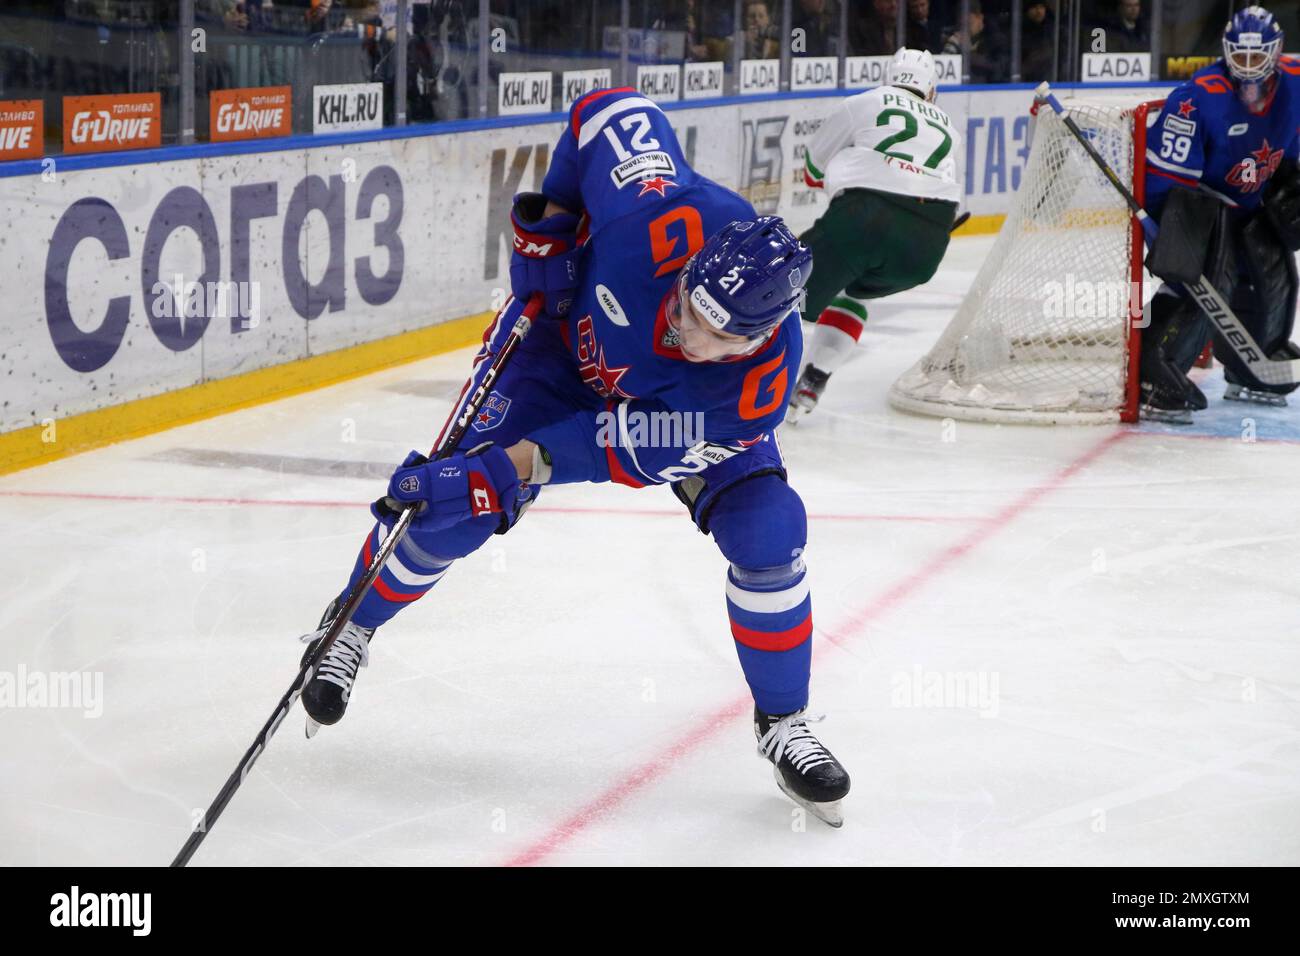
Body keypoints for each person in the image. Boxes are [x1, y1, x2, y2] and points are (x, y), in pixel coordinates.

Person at [296, 87, 852, 826]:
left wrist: (503, 469)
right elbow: (608, 111)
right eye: (688, 307)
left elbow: (604, 446)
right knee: (451, 513)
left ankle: (783, 722)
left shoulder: (753, 391)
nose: (689, 334)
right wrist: (551, 233)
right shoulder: (655, 210)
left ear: (761, 337)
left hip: (657, 422)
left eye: (719, 337)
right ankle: (351, 624)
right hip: (553, 354)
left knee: (767, 529)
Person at [1139, 5, 1300, 421]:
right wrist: (1175, 234)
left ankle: (1254, 361)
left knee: (1272, 264)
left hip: (1252, 202)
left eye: (1256, 57)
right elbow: (1165, 179)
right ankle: (1156, 368)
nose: (1247, 68)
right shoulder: (1198, 98)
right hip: (1204, 206)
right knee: (1211, 273)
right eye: (1240, 57)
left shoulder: (1296, 87)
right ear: (1227, 52)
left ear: (1276, 52)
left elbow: (1292, 153)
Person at [788, 49, 960, 420]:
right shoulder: (948, 126)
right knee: (854, 292)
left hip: (863, 217)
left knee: (782, 292)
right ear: (931, 91)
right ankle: (815, 379)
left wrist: (852, 175)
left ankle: (746, 380)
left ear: (889, 78)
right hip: (926, 247)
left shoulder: (865, 102)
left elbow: (812, 171)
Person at [942, 0, 1007, 83]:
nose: (965, 28)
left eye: (969, 23)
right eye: (962, 24)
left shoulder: (996, 40)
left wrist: (968, 53)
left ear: (980, 18)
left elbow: (998, 71)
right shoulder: (956, 38)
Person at [1020, 0, 1057, 82]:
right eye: (1034, 7)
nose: (1039, 11)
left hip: (1049, 79)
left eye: (1041, 7)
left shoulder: (1054, 30)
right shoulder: (1018, 32)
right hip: (1026, 81)